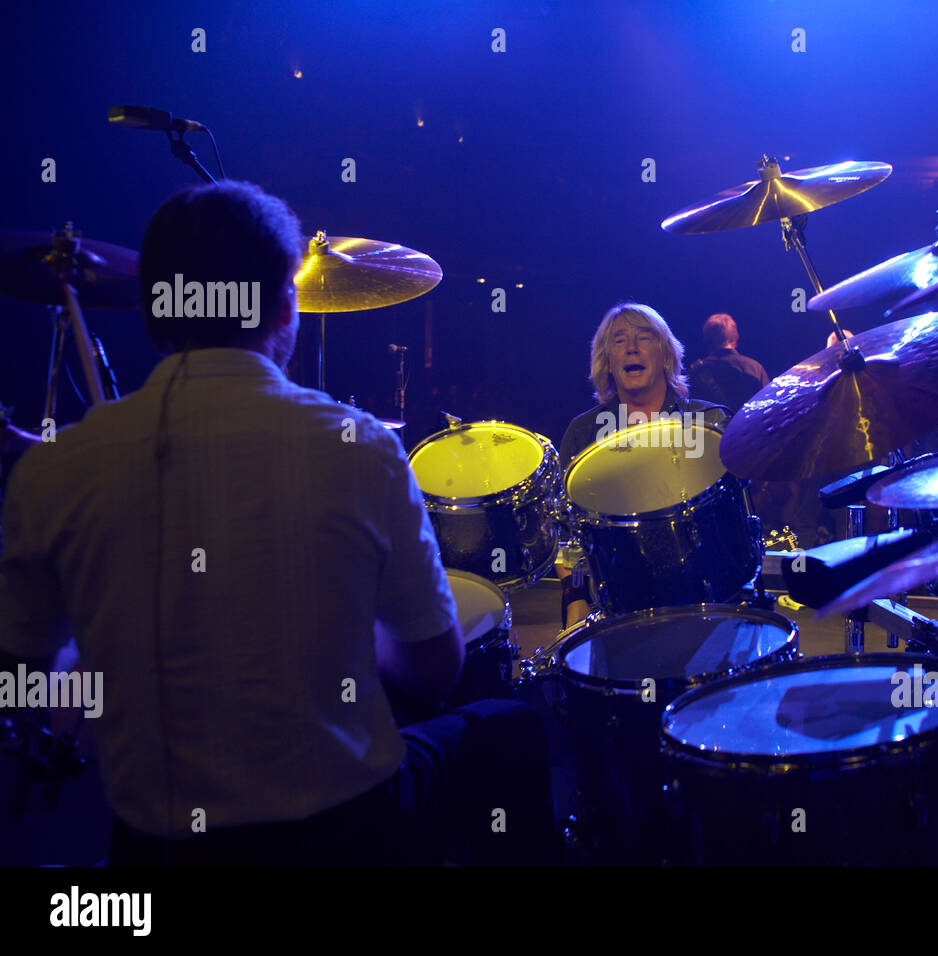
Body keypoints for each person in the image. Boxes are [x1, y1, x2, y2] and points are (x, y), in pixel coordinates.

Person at [0, 181, 555, 866]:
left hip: (154, 851)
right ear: (287, 307)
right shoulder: (361, 446)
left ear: (153, 315)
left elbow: (18, 667)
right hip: (344, 835)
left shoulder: (57, 468)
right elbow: (436, 667)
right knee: (511, 727)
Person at [556, 303, 728, 627]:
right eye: (619, 341)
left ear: (665, 355)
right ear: (607, 362)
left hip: (706, 600)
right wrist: (574, 597)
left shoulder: (709, 423)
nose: (631, 348)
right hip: (616, 610)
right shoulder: (584, 432)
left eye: (644, 338)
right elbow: (567, 532)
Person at [685, 313, 769, 414]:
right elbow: (768, 407)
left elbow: (688, 414)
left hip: (710, 429)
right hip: (750, 429)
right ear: (735, 338)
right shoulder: (754, 368)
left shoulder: (695, 372)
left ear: (706, 340)